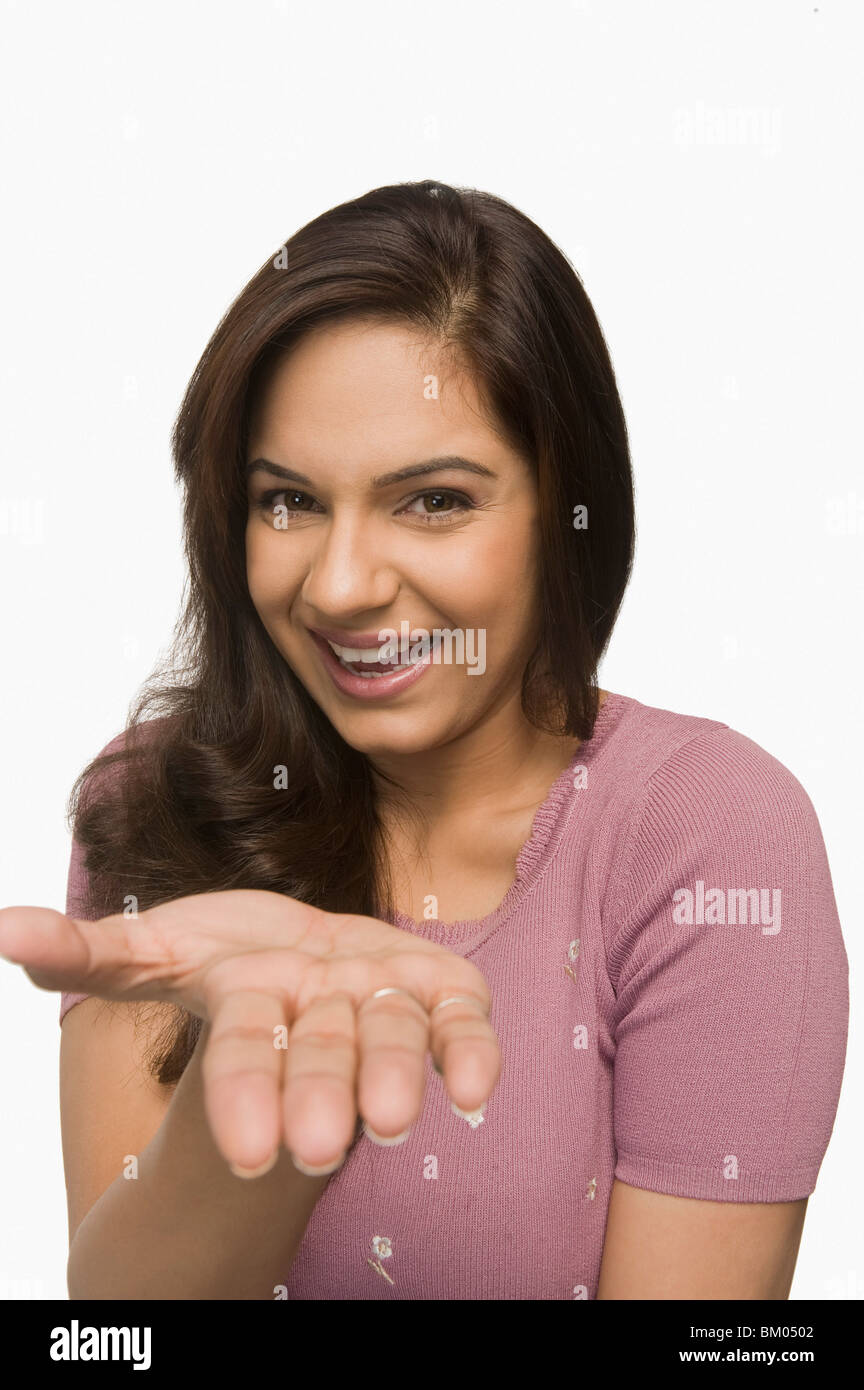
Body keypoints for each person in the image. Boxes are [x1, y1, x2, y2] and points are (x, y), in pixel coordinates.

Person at [0, 181, 848, 1300]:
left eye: (435, 501)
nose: (341, 585)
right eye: (289, 501)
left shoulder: (711, 837)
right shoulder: (164, 796)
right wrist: (252, 1121)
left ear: (567, 507)